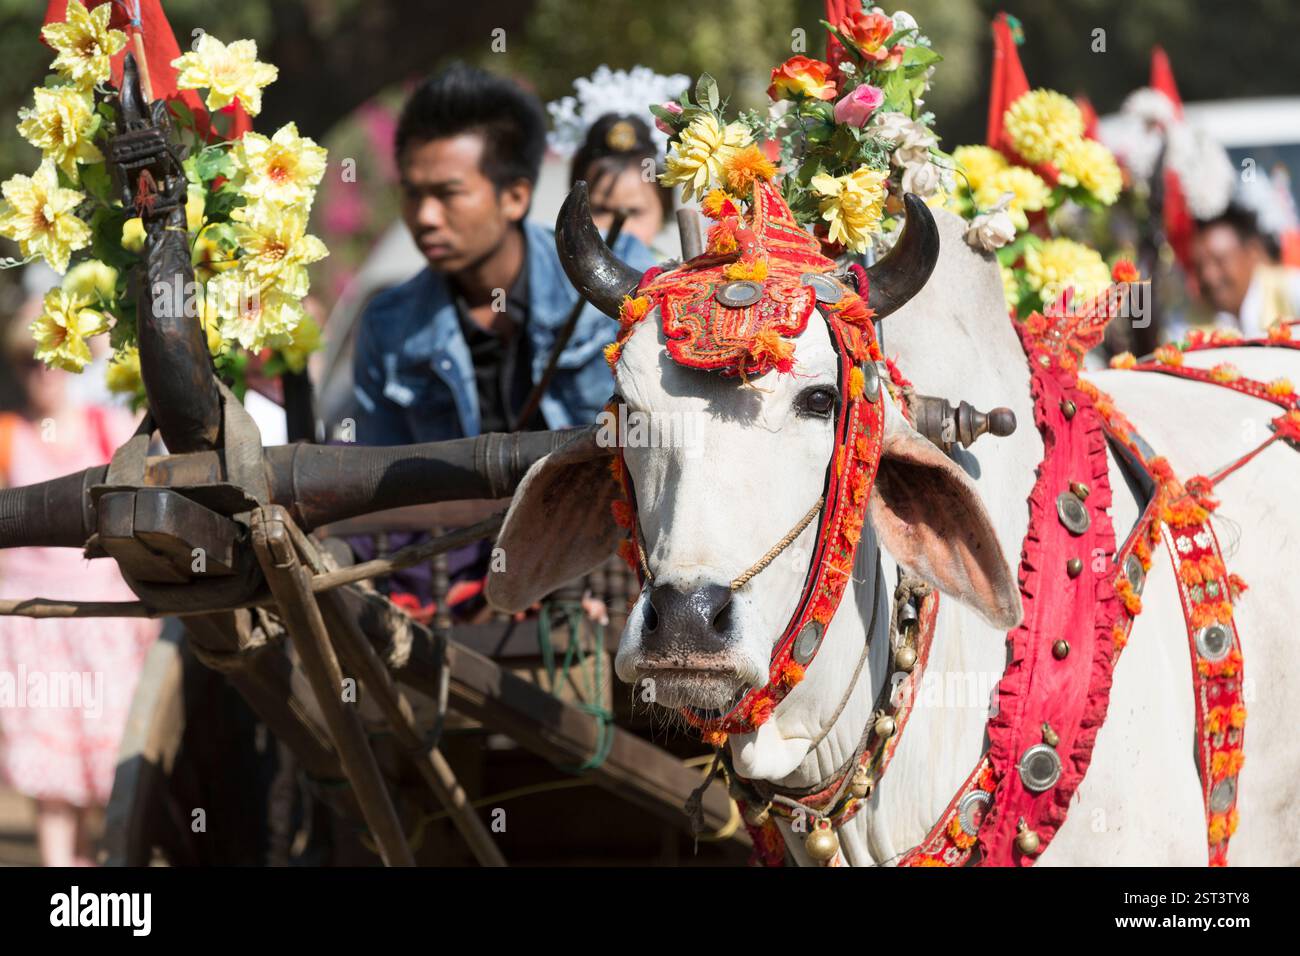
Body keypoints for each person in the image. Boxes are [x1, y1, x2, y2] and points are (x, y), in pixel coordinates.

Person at [352, 63, 656, 447]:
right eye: (413, 193)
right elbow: (380, 486)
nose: (425, 216)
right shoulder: (386, 327)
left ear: (515, 197)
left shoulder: (628, 273)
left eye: (448, 193)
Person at [0, 303, 160, 867]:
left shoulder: (111, 429)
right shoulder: (6, 438)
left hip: (107, 623)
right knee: (52, 779)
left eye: (50, 357)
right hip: (32, 626)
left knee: (102, 766)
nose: (41, 371)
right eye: (28, 361)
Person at [570, 114, 674, 254]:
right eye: (600, 210)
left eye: (634, 212)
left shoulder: (676, 276)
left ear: (664, 208)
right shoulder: (552, 269)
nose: (620, 228)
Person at [1191, 204, 1300, 338]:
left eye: (1220, 261)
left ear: (1252, 253)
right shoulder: (1194, 320)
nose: (1208, 276)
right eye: (1200, 266)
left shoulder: (1290, 289)